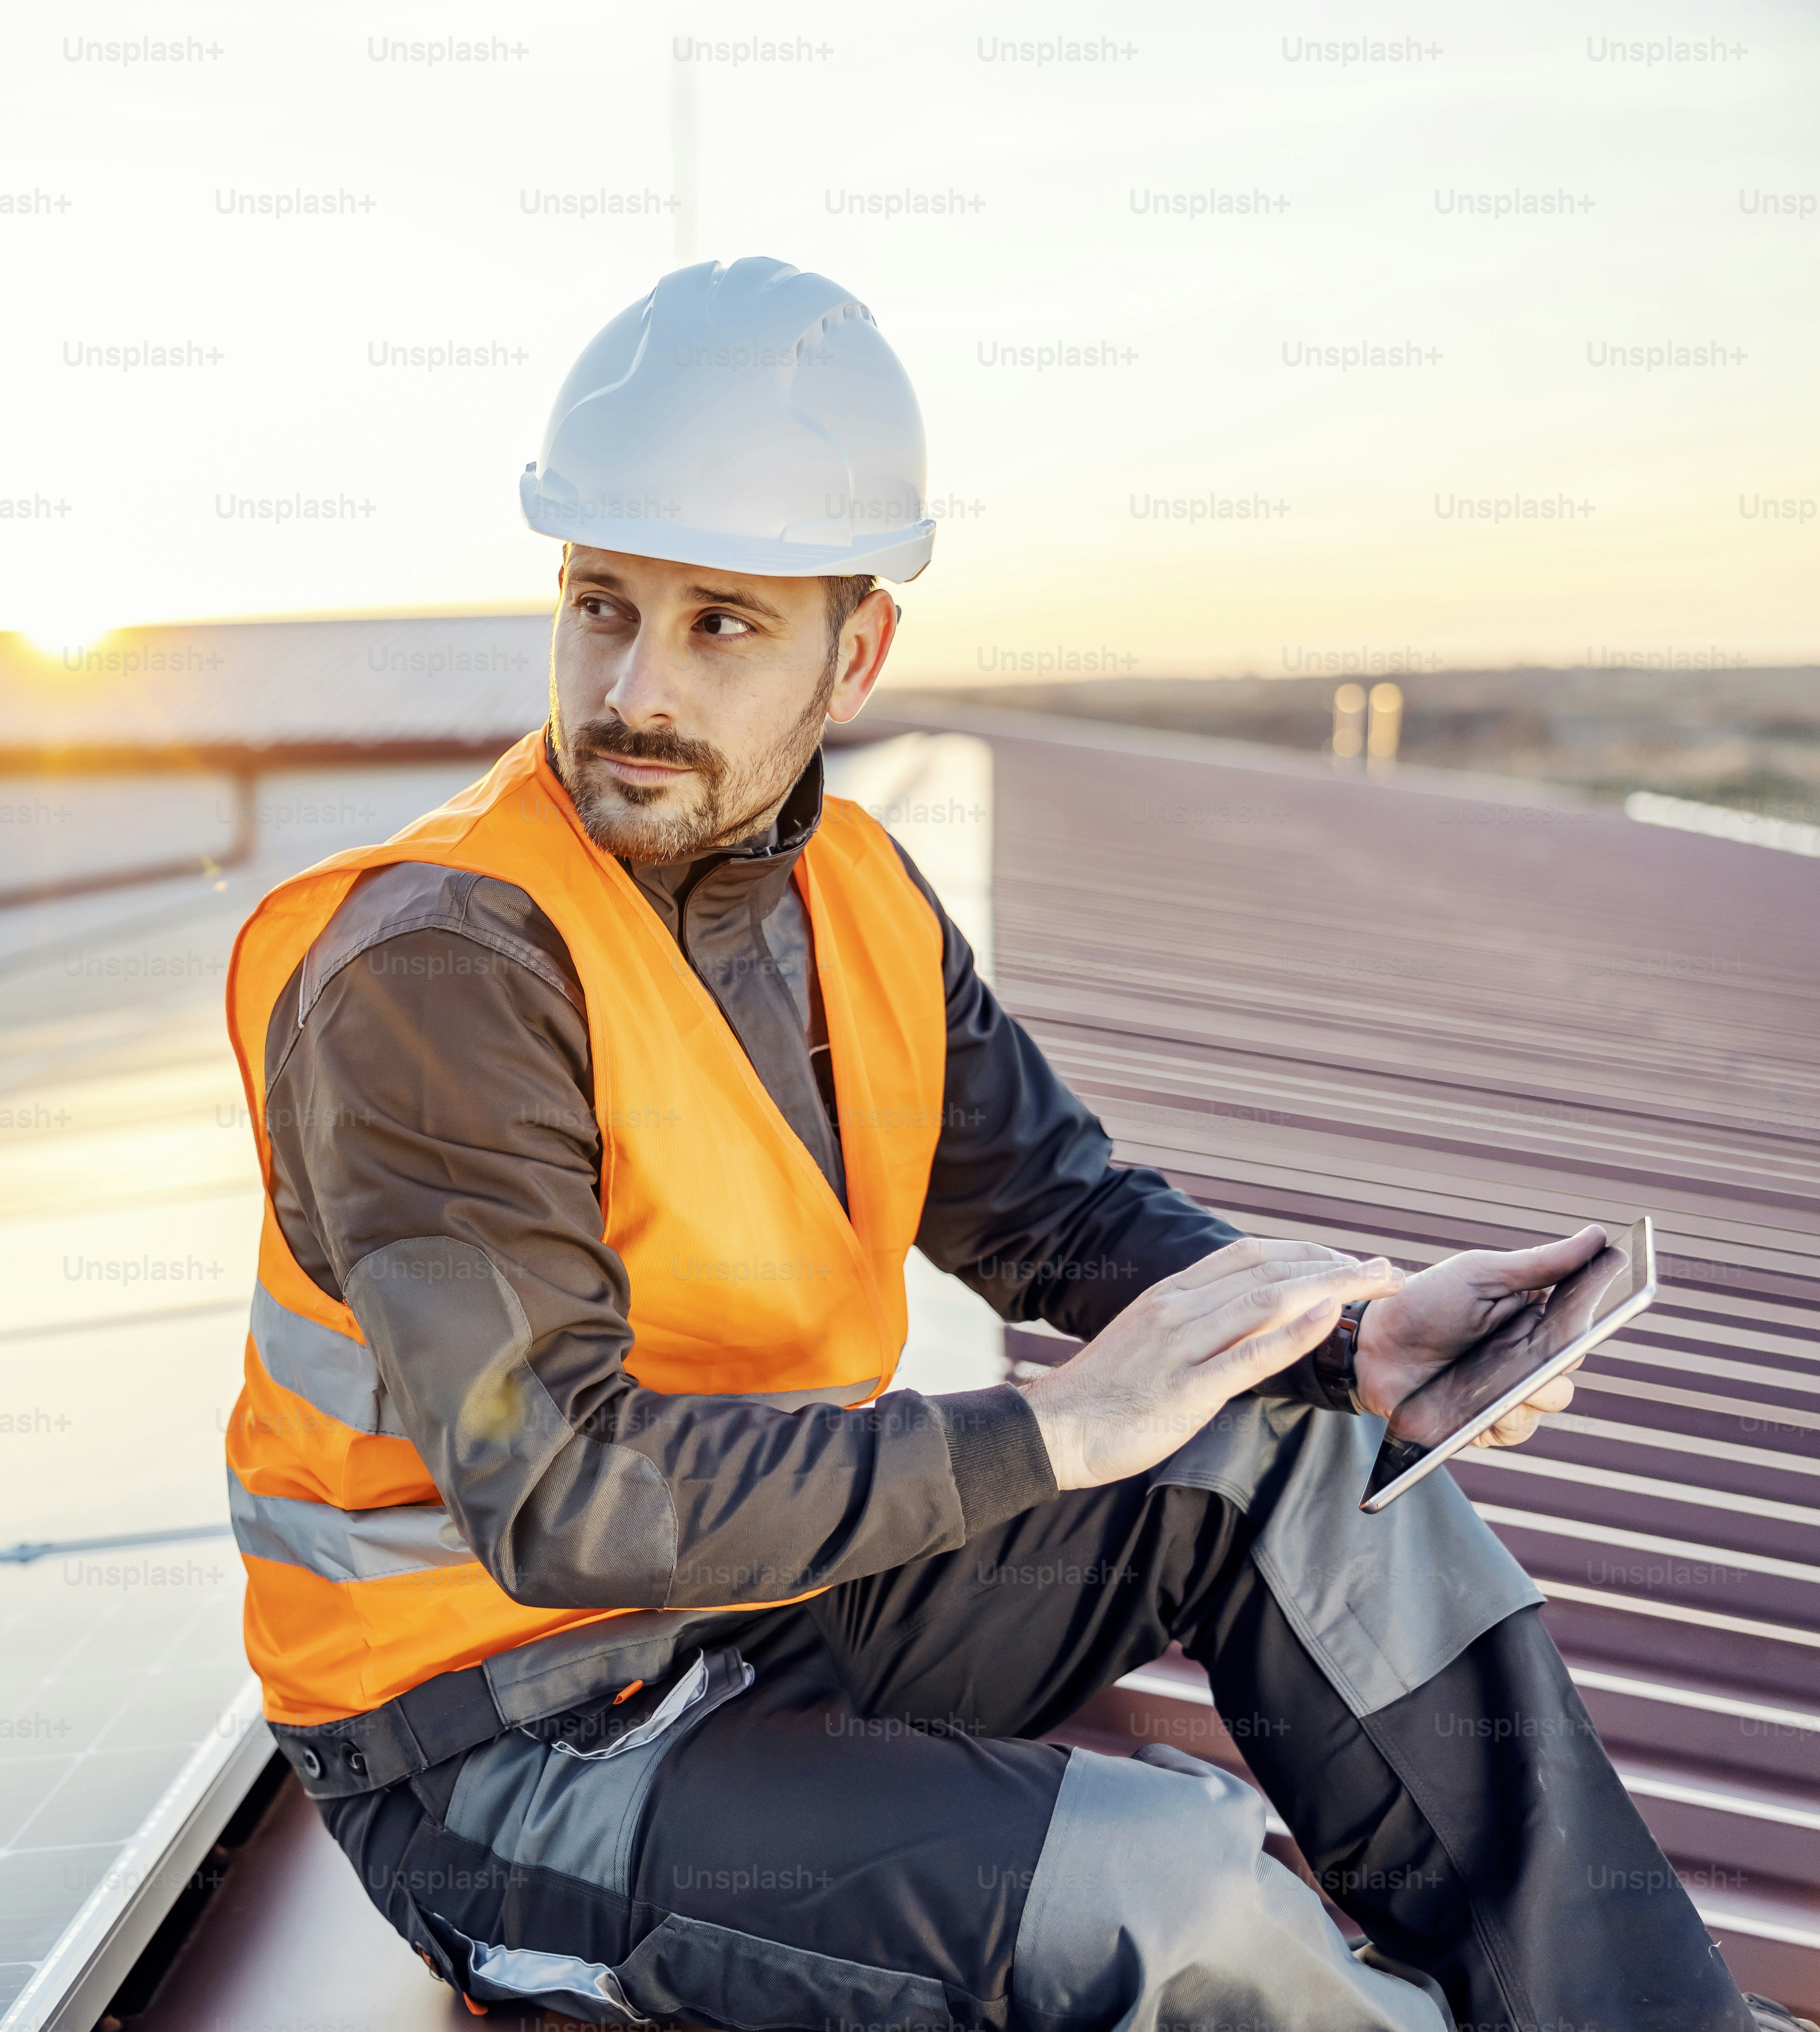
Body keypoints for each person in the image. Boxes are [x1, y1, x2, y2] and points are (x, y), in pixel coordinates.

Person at [218, 259, 1790, 2031]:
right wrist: (1051, 1430)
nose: (633, 686)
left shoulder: (856, 899)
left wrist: (1362, 1334)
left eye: (719, 622)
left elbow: (1056, 1211)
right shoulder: (441, 968)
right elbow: (559, 1494)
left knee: (1306, 1457)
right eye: (602, 604)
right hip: (503, 1740)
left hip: (779, 1597)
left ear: (857, 648)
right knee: (1168, 1891)